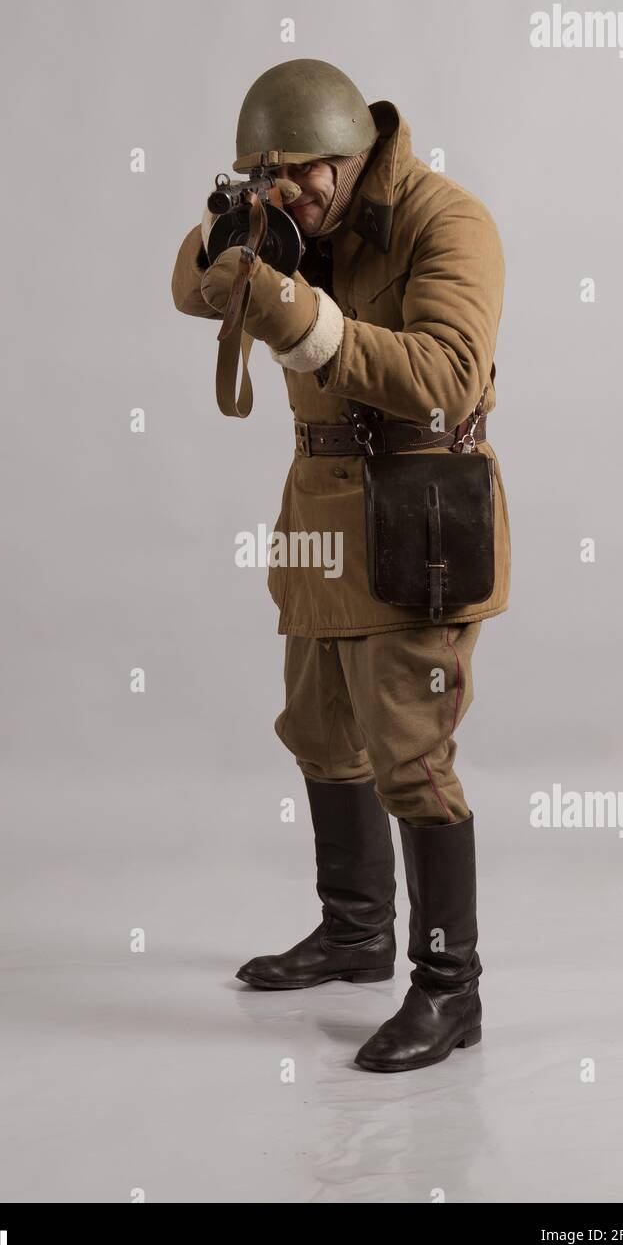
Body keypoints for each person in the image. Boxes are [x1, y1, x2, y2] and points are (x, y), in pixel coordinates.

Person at [170, 58, 509, 1073]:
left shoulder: (446, 221)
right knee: (320, 727)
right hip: (317, 506)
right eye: (269, 182)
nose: (294, 203)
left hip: (417, 508)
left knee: (408, 750)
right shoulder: (297, 223)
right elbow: (192, 290)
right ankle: (354, 930)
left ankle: (450, 988)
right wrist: (229, 235)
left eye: (301, 181)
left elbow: (444, 376)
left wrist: (296, 312)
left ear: (347, 156)